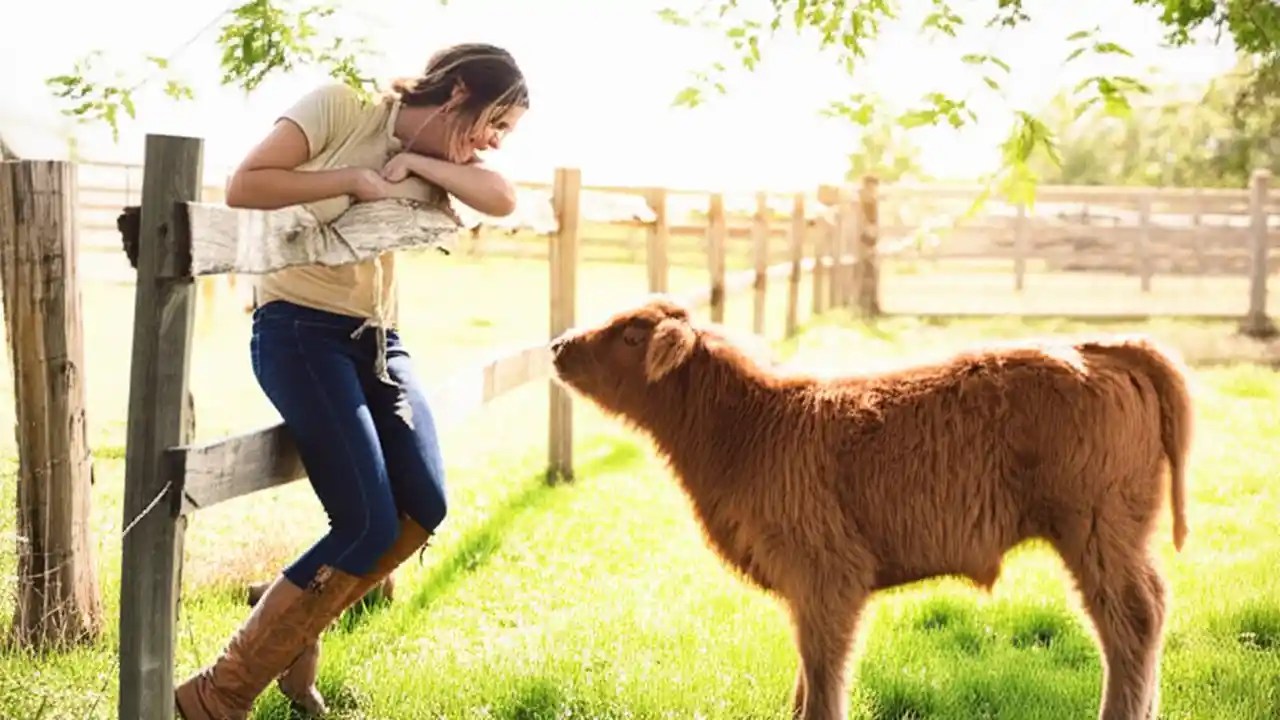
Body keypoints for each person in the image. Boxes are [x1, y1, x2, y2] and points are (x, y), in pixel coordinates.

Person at [174, 42, 529, 719]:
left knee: (421, 509)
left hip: (380, 344)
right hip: (300, 331)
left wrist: (417, 163)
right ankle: (215, 696)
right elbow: (247, 184)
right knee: (365, 523)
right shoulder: (344, 105)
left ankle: (290, 627)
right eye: (495, 122)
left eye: (505, 132)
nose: (493, 141)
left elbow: (504, 198)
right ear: (457, 94)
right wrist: (354, 181)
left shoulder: (445, 158)